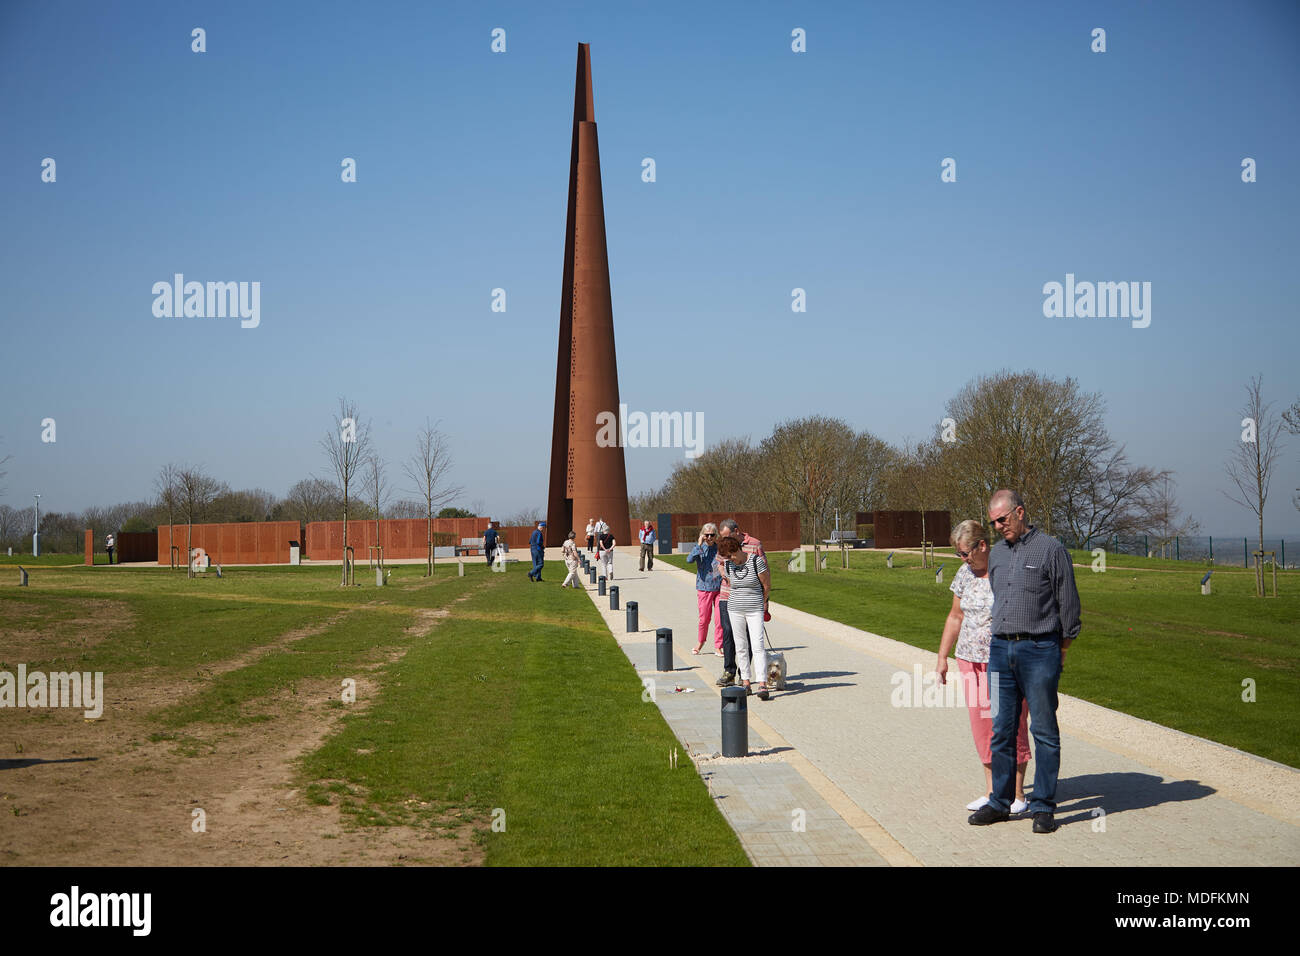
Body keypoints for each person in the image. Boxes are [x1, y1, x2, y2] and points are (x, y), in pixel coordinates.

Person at [968, 490, 1081, 834]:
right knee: (1002, 728)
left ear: (1019, 512)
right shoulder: (998, 555)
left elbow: (1069, 608)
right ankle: (1000, 802)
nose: (998, 526)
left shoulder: (1051, 549)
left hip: (1040, 650)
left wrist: (1058, 651)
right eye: (993, 522)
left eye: (1002, 519)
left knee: (1043, 730)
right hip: (1001, 653)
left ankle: (1043, 806)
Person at [937, 519, 1031, 815]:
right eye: (958, 554)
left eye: (965, 553)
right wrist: (942, 656)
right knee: (983, 726)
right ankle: (992, 791)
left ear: (982, 545)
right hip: (969, 660)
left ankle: (1017, 793)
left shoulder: (1005, 570)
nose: (963, 559)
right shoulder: (964, 574)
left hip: (1004, 660)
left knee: (1011, 724)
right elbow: (955, 617)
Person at [717, 536, 771, 700]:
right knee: (740, 646)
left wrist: (764, 602)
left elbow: (766, 584)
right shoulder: (728, 565)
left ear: (738, 549)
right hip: (734, 609)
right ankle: (746, 682)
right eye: (727, 556)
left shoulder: (755, 561)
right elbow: (727, 578)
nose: (730, 559)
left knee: (757, 645)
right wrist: (724, 566)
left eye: (731, 555)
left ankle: (762, 682)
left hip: (755, 608)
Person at [686, 523, 723, 655]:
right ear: (702, 535)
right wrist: (699, 544)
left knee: (720, 619)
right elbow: (689, 560)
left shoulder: (720, 548)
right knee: (704, 619)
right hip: (704, 587)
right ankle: (700, 642)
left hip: (720, 588)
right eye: (706, 535)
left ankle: (718, 646)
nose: (709, 537)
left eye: (712, 535)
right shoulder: (699, 548)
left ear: (716, 536)